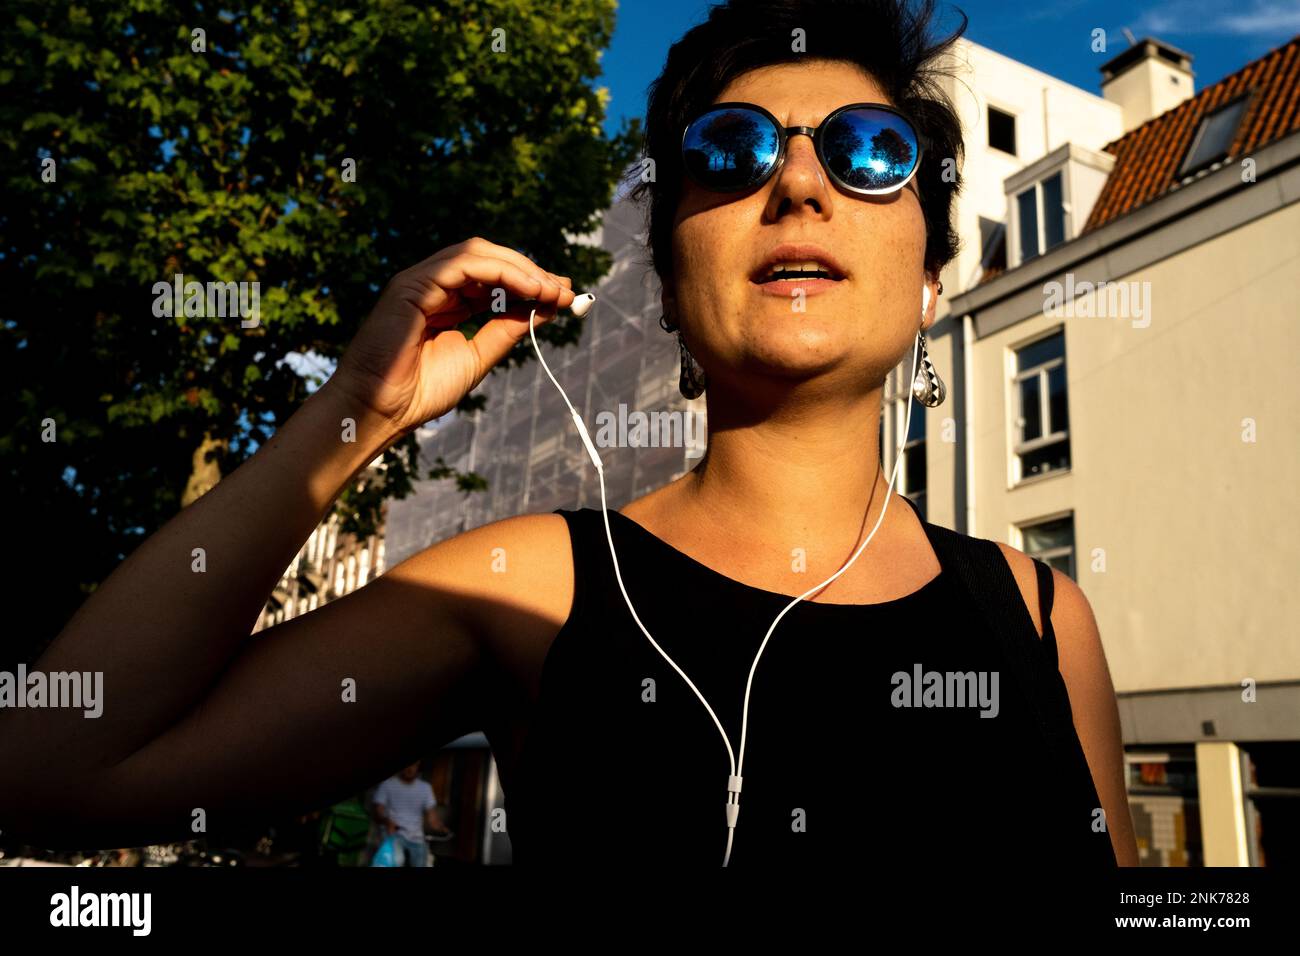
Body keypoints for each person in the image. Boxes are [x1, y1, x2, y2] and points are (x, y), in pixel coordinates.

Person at [0, 0, 1138, 868]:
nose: (798, 180)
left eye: (870, 151)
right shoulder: (529, 588)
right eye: (733, 151)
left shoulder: (1042, 616)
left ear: (933, 281)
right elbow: (50, 768)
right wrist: (360, 410)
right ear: (670, 283)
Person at [371, 762, 447, 867]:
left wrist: (441, 827)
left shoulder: (425, 788)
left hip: (416, 836)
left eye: (414, 765)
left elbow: (432, 818)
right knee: (396, 860)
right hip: (395, 833)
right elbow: (378, 811)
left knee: (423, 863)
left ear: (418, 767)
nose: (410, 769)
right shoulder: (387, 784)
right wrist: (386, 821)